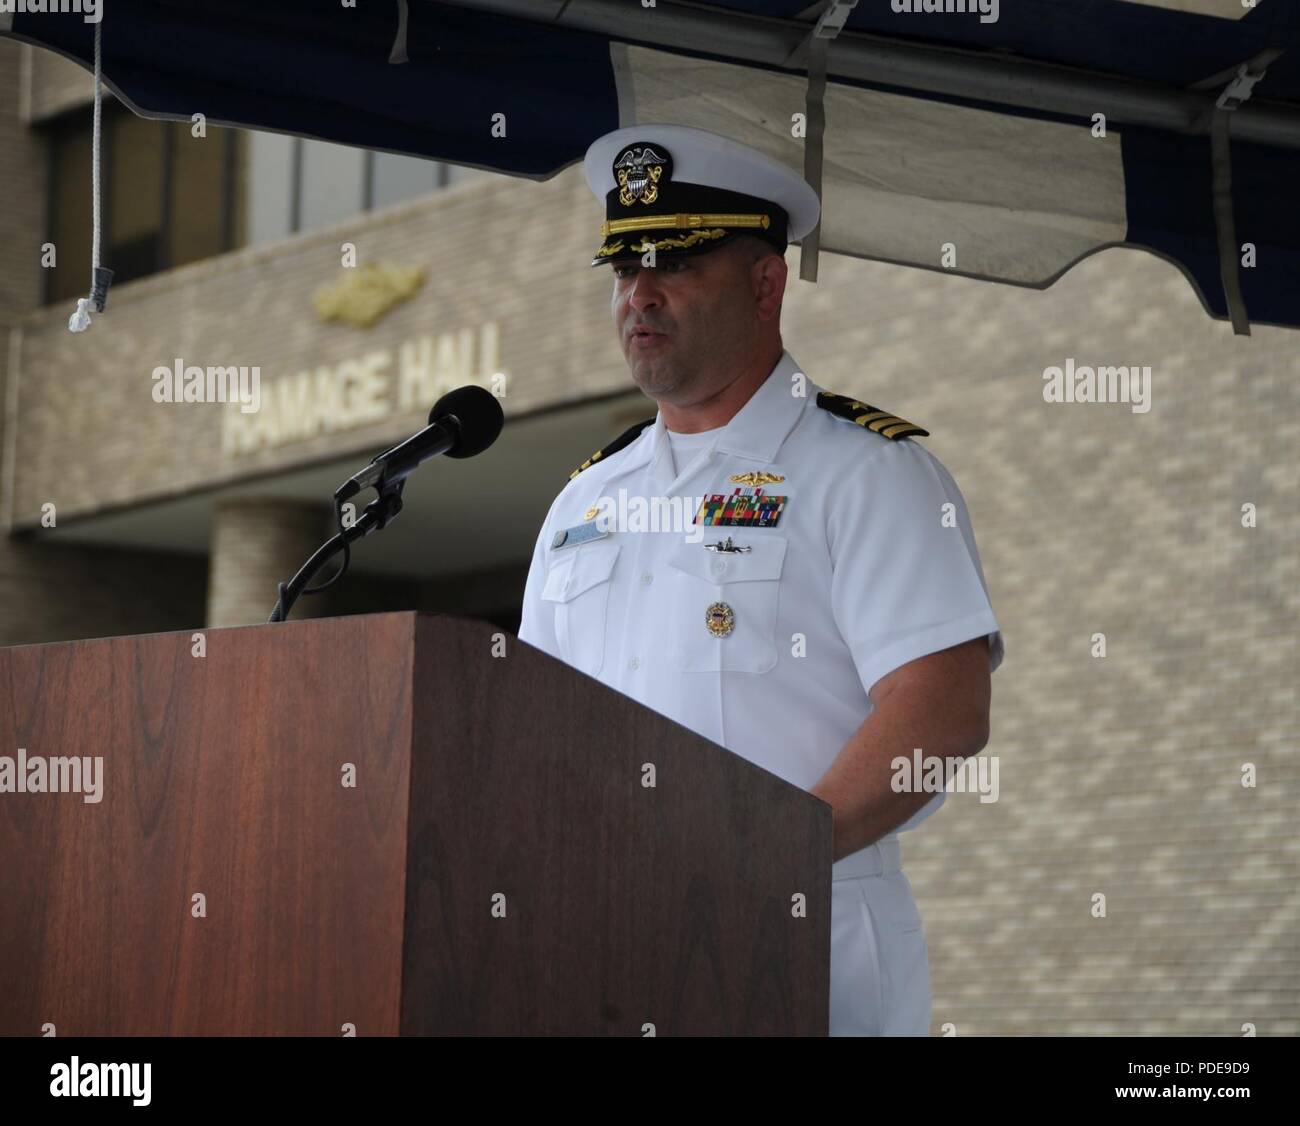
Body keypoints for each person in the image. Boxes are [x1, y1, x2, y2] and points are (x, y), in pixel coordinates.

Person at [518, 123, 1004, 1035]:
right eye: (624, 268)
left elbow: (941, 715)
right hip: (602, 945)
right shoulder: (583, 500)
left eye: (673, 263)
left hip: (805, 933)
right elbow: (534, 732)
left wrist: (759, 860)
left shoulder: (867, 474)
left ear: (766, 283)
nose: (640, 294)